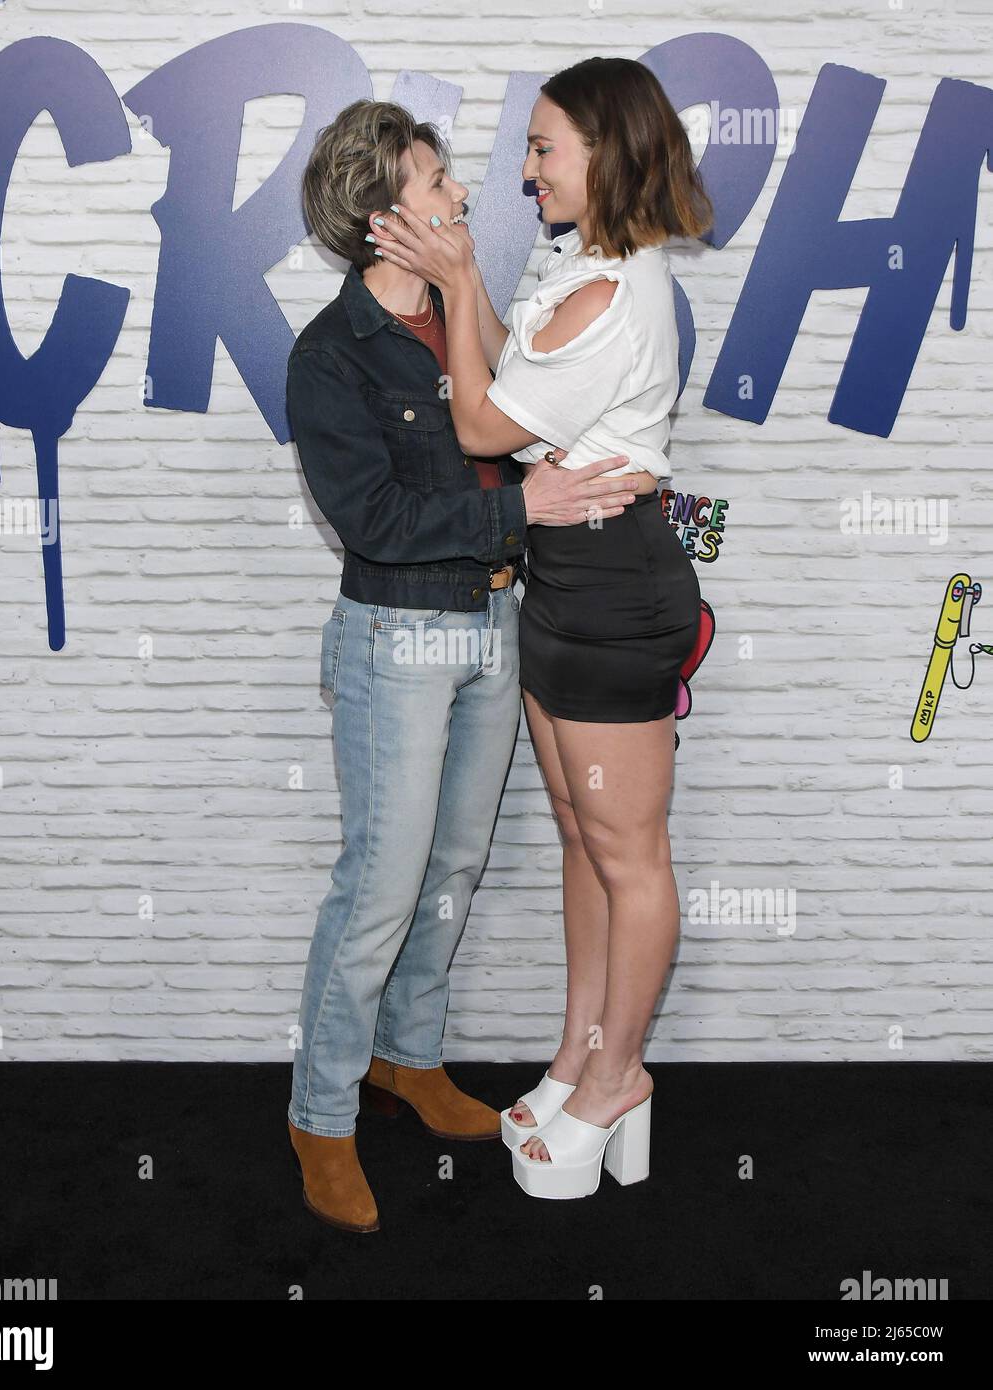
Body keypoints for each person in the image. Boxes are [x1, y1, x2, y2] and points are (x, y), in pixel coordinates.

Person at [285, 99, 644, 1231]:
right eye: (437, 181)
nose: (461, 196)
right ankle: (320, 1112)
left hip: (495, 628)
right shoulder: (327, 354)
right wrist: (523, 509)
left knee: (453, 866)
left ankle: (411, 1057)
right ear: (383, 215)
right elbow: (378, 519)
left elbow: (526, 426)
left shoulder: (472, 313)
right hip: (398, 636)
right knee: (379, 890)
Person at [368, 56, 714, 1199]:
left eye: (542, 148)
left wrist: (460, 279)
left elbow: (478, 419)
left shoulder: (613, 293)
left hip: (615, 589)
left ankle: (619, 1078)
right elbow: (512, 412)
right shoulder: (583, 265)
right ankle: (577, 1054)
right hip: (557, 576)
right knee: (577, 831)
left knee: (628, 851)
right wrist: (475, 292)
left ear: (605, 154)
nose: (523, 172)